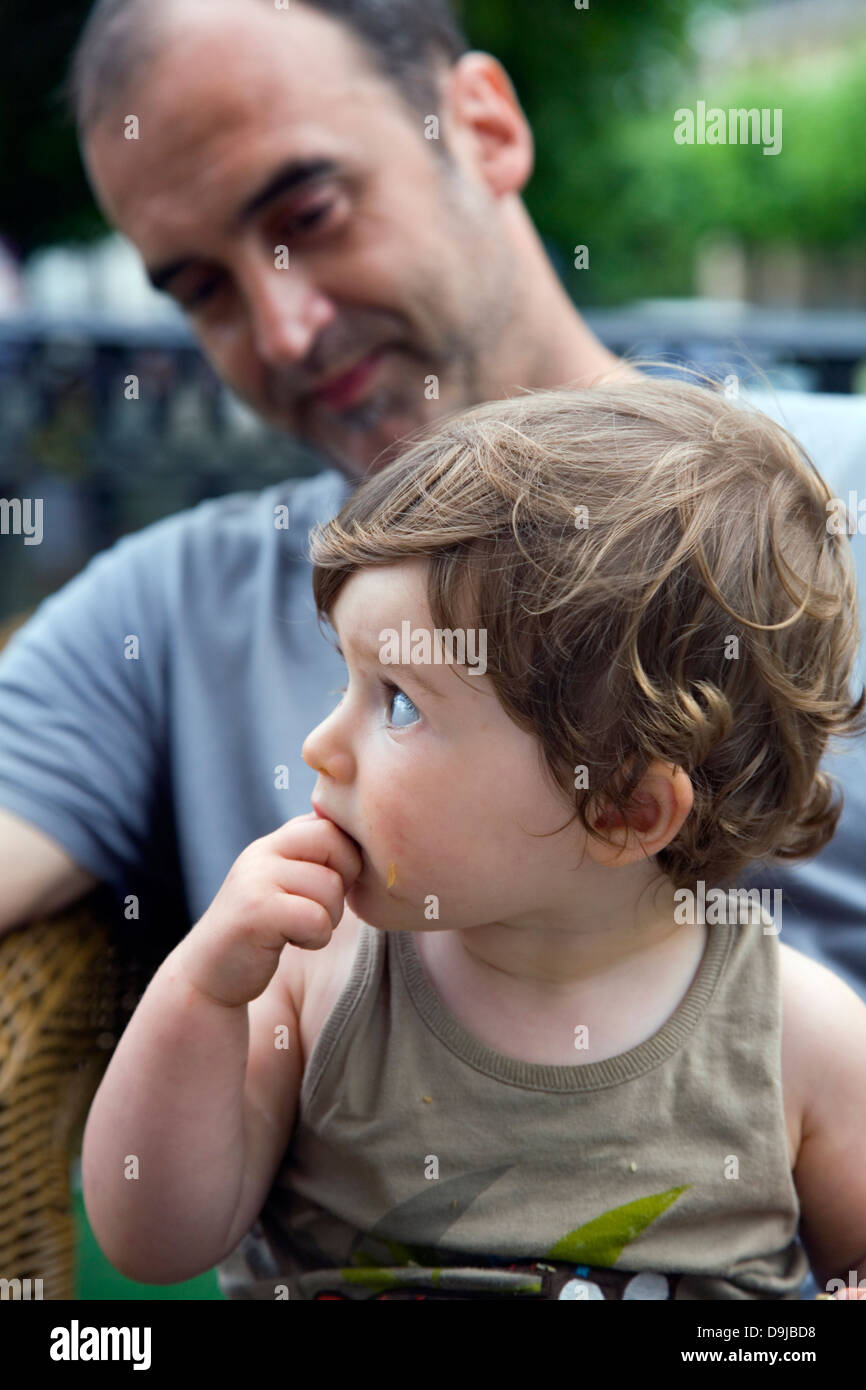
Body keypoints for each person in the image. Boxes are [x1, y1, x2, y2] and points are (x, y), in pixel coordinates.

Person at [80, 377, 866, 1301]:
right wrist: (200, 993)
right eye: (348, 677)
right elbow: (154, 1238)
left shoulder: (797, 1038)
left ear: (620, 807)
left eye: (401, 703)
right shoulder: (317, 975)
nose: (319, 744)